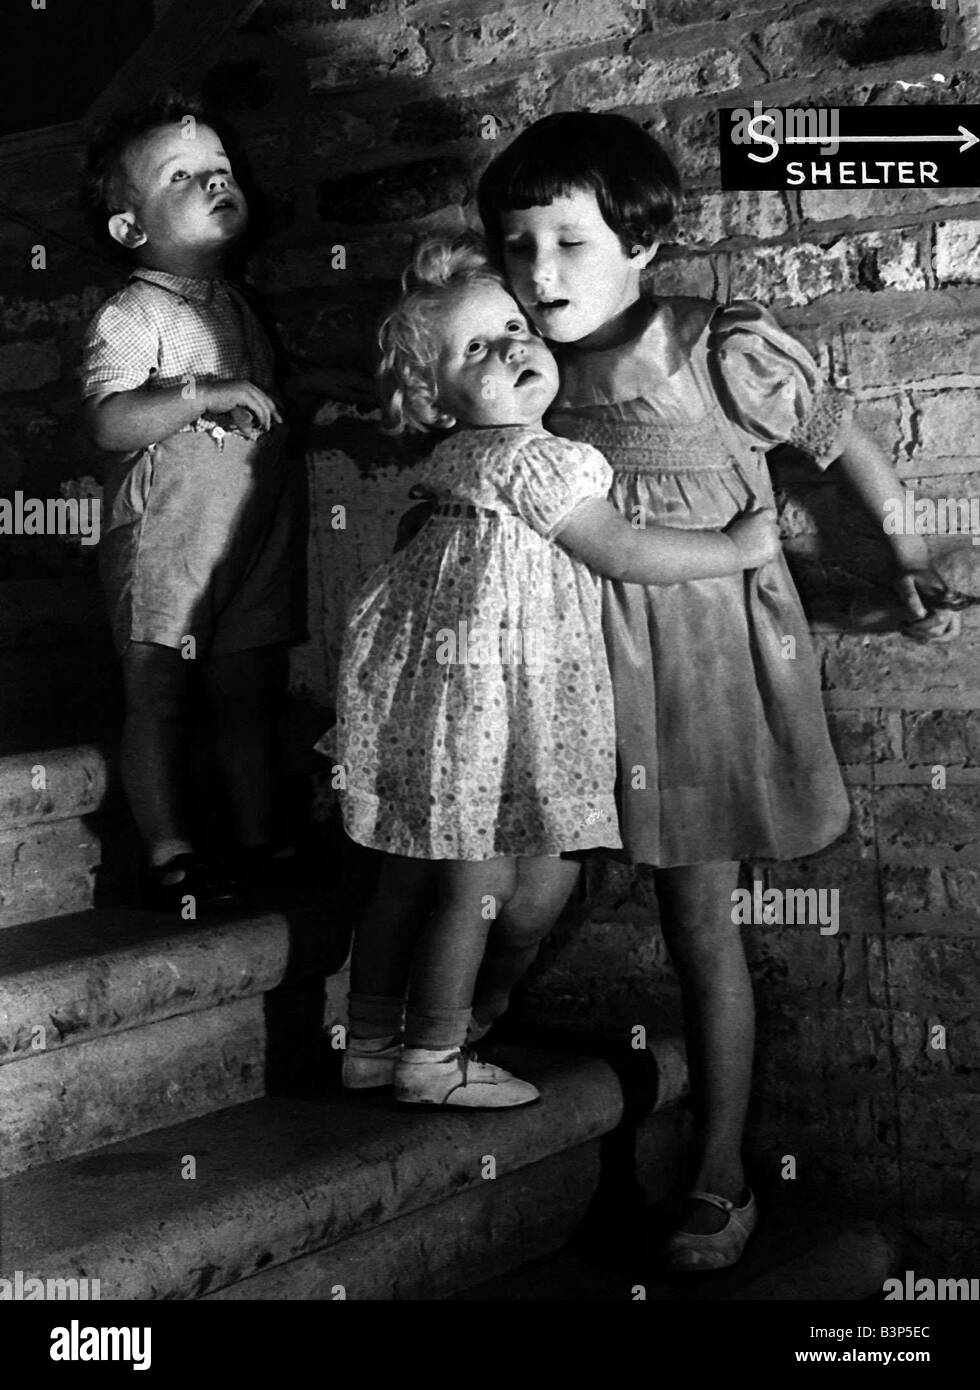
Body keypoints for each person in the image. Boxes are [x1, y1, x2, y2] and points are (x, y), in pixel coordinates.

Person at [476, 110, 955, 1261]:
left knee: (703, 925)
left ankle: (720, 1170)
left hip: (701, 669)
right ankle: (455, 1022)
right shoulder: (513, 364)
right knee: (524, 882)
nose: (539, 273)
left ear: (642, 243)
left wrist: (907, 550)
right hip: (571, 661)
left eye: (569, 241)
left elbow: (835, 442)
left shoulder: (715, 348)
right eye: (515, 244)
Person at [329, 235, 779, 1110]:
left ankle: (369, 1039)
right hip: (498, 705)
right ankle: (435, 1056)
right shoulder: (543, 459)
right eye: (476, 351)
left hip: (437, 701)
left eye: (511, 327)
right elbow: (619, 550)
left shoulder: (457, 459)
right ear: (435, 394)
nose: (510, 349)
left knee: (407, 871)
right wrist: (731, 547)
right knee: (481, 881)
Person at [81, 92, 300, 913]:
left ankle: (255, 835)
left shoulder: (237, 305)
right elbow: (109, 421)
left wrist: (316, 386)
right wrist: (202, 391)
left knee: (246, 689)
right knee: (160, 692)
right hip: (171, 537)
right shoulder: (136, 312)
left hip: (249, 533)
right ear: (131, 228)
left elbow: (266, 398)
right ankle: (171, 848)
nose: (215, 180)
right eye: (184, 175)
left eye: (222, 168)